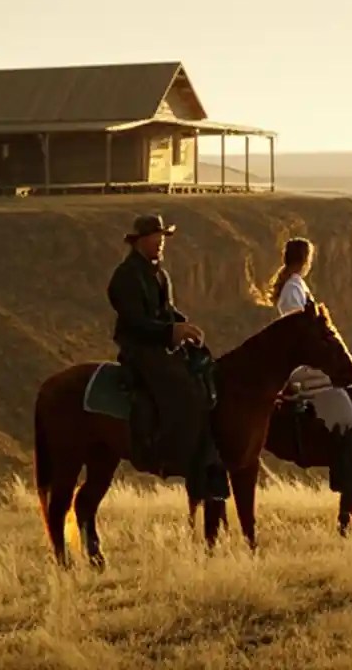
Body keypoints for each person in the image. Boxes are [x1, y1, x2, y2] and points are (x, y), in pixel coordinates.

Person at [106, 213, 228, 502]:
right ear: (140, 241)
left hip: (161, 344)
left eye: (163, 239)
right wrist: (171, 331)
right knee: (181, 388)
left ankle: (206, 456)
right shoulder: (125, 277)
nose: (161, 244)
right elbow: (135, 322)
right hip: (140, 350)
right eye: (156, 239)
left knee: (205, 376)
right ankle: (168, 451)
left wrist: (184, 326)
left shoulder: (159, 273)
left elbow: (167, 310)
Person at [268, 237, 352, 496]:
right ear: (306, 260)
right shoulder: (293, 288)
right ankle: (345, 472)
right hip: (304, 365)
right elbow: (298, 329)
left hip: (310, 359)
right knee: (345, 411)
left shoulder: (295, 285)